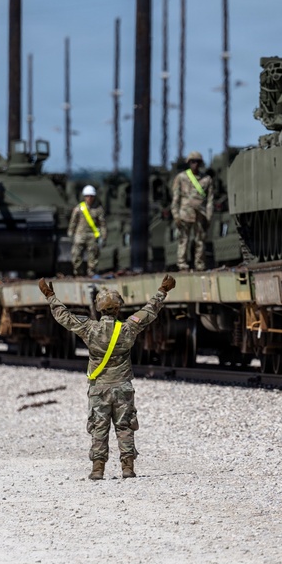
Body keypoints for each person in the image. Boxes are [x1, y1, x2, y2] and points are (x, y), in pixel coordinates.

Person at [39, 273, 176, 480]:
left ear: (99, 308)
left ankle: (98, 469)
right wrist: (162, 290)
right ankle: (127, 468)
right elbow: (150, 310)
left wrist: (50, 296)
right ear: (118, 308)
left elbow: (64, 317)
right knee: (125, 426)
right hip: (123, 387)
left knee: (98, 427)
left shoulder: (89, 329)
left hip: (99, 388)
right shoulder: (128, 328)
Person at [170, 151, 214, 271]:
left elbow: (210, 200)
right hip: (185, 213)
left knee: (200, 240)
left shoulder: (206, 179)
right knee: (183, 239)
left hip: (200, 214)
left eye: (198, 162)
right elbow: (176, 198)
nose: (195, 164)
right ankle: (182, 264)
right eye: (193, 162)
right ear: (189, 163)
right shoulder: (181, 178)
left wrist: (209, 216)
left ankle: (199, 264)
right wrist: (175, 215)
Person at [68, 184, 106, 276]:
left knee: (93, 255)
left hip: (92, 235)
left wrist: (103, 236)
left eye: (91, 196)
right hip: (79, 235)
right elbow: (73, 222)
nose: (89, 198)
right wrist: (71, 233)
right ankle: (78, 273)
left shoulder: (98, 209)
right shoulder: (79, 208)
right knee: (76, 254)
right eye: (87, 196)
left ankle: (91, 272)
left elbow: (102, 224)